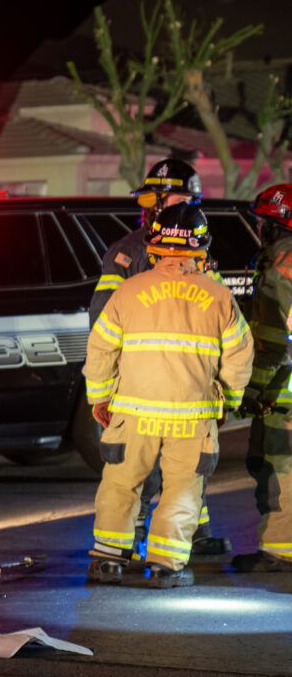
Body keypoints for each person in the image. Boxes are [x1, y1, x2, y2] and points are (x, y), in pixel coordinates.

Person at [84, 203, 253, 588]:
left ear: (154, 246)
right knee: (182, 490)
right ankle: (166, 566)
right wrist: (228, 401)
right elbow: (240, 357)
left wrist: (100, 398)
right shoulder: (218, 296)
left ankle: (107, 561)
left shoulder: (128, 290)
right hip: (193, 418)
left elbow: (100, 349)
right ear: (201, 249)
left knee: (121, 485)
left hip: (132, 414)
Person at [231, 183, 292, 573]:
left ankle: (279, 552)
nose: (257, 228)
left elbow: (272, 342)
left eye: (261, 222)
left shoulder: (280, 265)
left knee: (274, 466)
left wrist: (251, 392)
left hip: (283, 392)